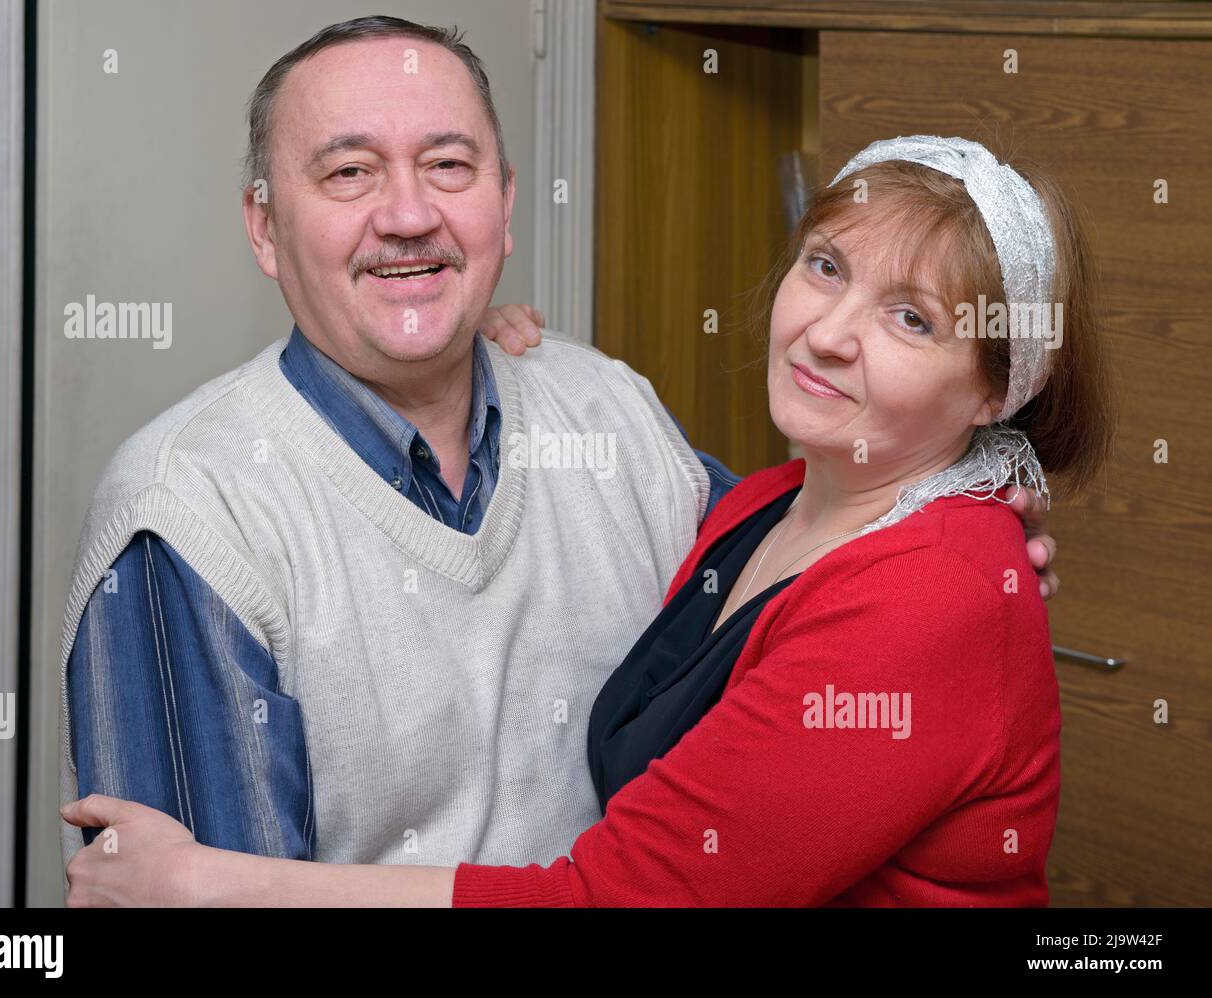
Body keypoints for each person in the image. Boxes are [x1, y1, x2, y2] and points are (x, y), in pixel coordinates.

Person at [64, 134, 1112, 907]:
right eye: (826, 266)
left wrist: (202, 882)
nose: (829, 332)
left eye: (910, 317)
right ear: (264, 222)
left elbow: (618, 898)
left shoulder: (929, 590)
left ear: (992, 393)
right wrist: (471, 349)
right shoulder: (754, 506)